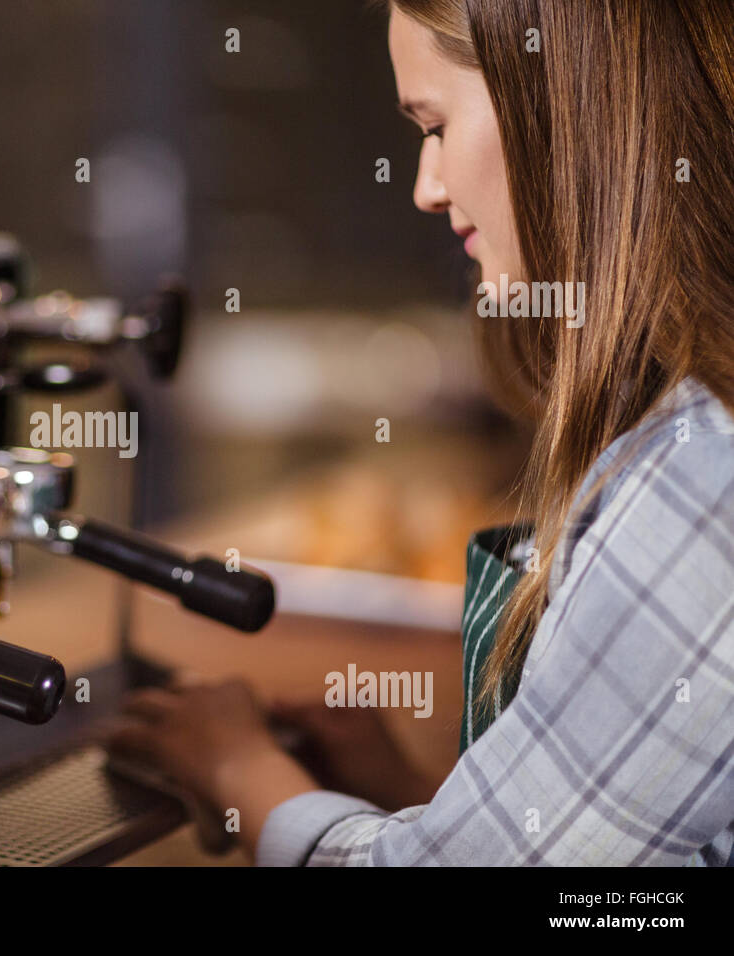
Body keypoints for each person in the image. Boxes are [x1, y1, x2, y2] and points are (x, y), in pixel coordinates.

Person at [105, 0, 734, 866]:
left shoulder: (696, 475)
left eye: (434, 127)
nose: (426, 185)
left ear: (559, 101)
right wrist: (408, 800)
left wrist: (240, 772)